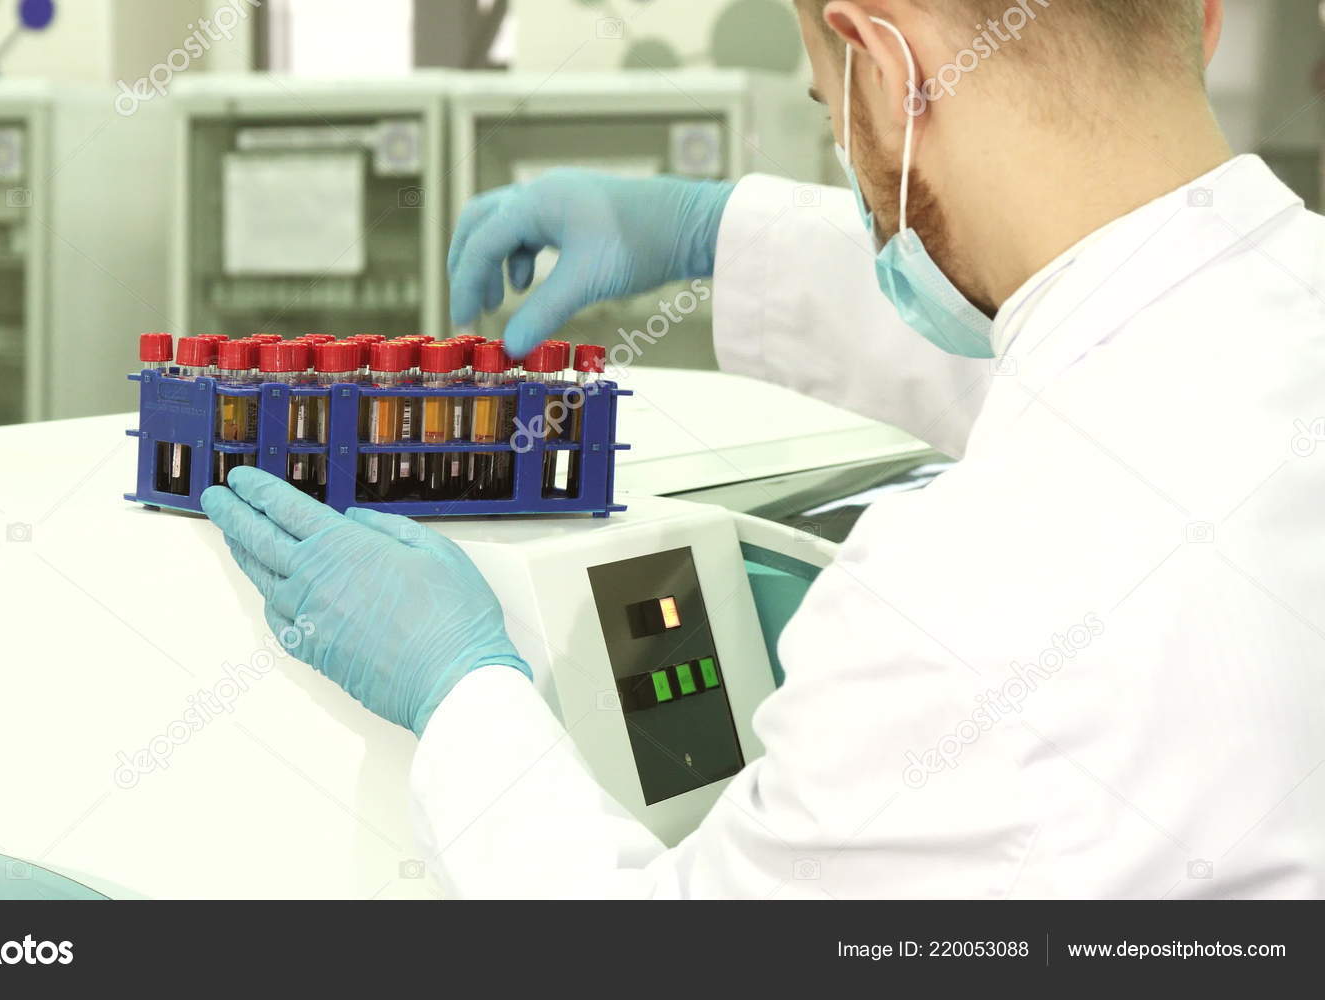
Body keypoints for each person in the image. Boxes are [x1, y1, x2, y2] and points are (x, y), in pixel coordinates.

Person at [203, 0, 1325, 898]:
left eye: (824, 115)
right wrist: (707, 231)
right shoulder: (1260, 325)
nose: (843, 154)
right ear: (1201, 19)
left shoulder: (968, 602)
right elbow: (1095, 355)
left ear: (883, 65)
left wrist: (458, 692)